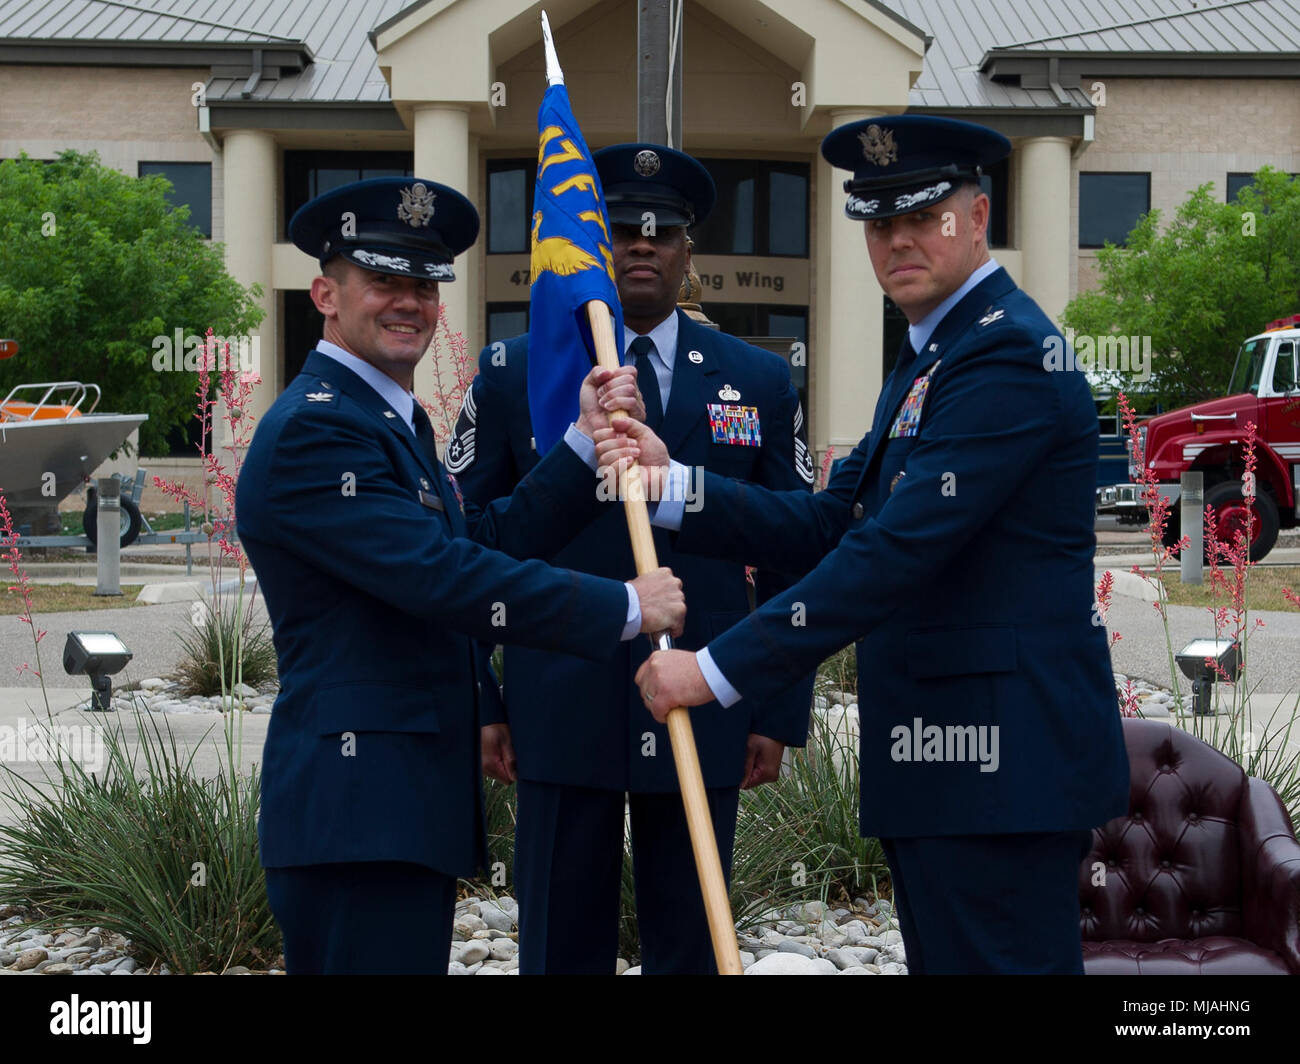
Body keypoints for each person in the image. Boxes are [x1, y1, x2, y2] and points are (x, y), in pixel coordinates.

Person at [599, 116, 1131, 975]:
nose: (898, 241)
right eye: (880, 223)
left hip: (1000, 770)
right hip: (947, 771)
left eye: (923, 217)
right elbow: (825, 524)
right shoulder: (931, 355)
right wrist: (673, 486)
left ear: (978, 216)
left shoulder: (1007, 354)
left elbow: (893, 552)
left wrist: (714, 672)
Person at [235, 176, 686, 975]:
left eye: (424, 285)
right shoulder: (318, 430)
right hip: (358, 809)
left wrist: (582, 446)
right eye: (383, 281)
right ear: (324, 295)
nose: (408, 302)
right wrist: (620, 605)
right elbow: (442, 575)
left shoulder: (386, 418)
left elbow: (481, 535)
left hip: (395, 806)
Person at [447, 144, 816, 974]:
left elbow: (795, 542)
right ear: (592, 245)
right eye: (621, 230)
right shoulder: (516, 374)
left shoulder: (756, 378)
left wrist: (774, 708)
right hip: (556, 694)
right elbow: (463, 552)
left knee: (691, 937)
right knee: (557, 940)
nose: (641, 246)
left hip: (703, 690)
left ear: (690, 253)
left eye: (663, 234)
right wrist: (483, 700)